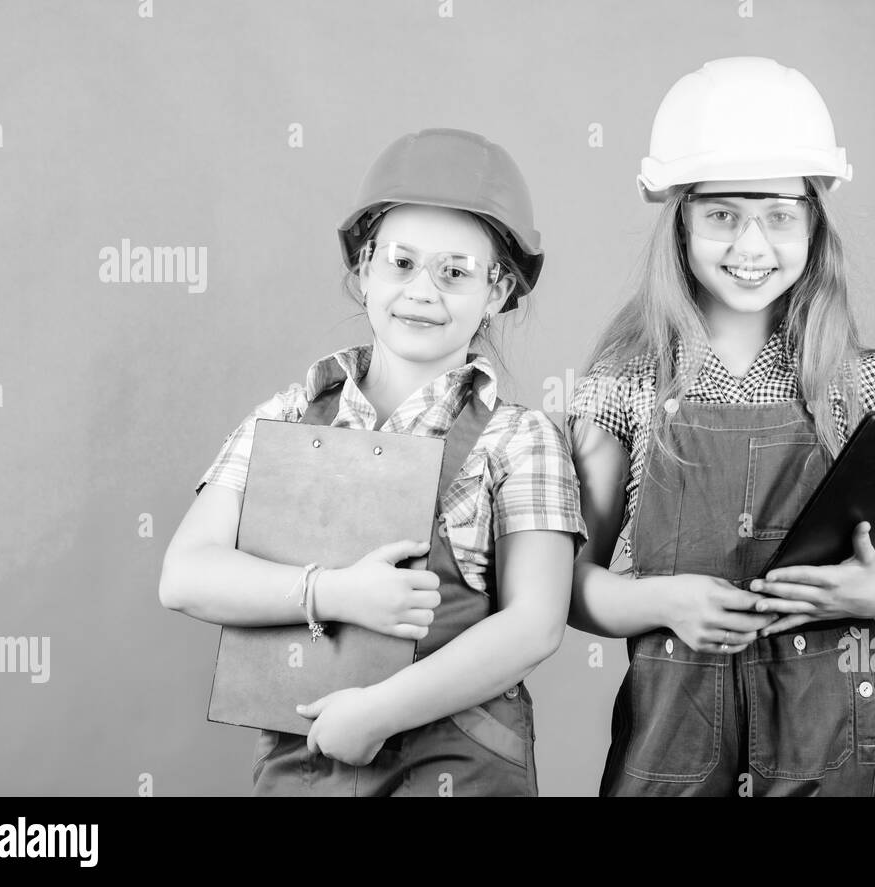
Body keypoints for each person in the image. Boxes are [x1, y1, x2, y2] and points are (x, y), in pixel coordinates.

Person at [565, 57, 875, 797]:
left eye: (779, 216)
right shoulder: (623, 383)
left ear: (813, 224)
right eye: (722, 214)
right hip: (672, 755)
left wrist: (867, 596)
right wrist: (663, 603)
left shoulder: (862, 383)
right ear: (682, 221)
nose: (750, 247)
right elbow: (570, 587)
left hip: (829, 756)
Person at [159, 128, 586, 796]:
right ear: (363, 270)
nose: (422, 289)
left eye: (455, 271)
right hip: (301, 765)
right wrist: (334, 592)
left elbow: (534, 623)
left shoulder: (520, 440)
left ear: (498, 290)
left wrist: (377, 712)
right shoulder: (286, 416)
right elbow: (185, 574)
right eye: (401, 262)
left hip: (456, 768)